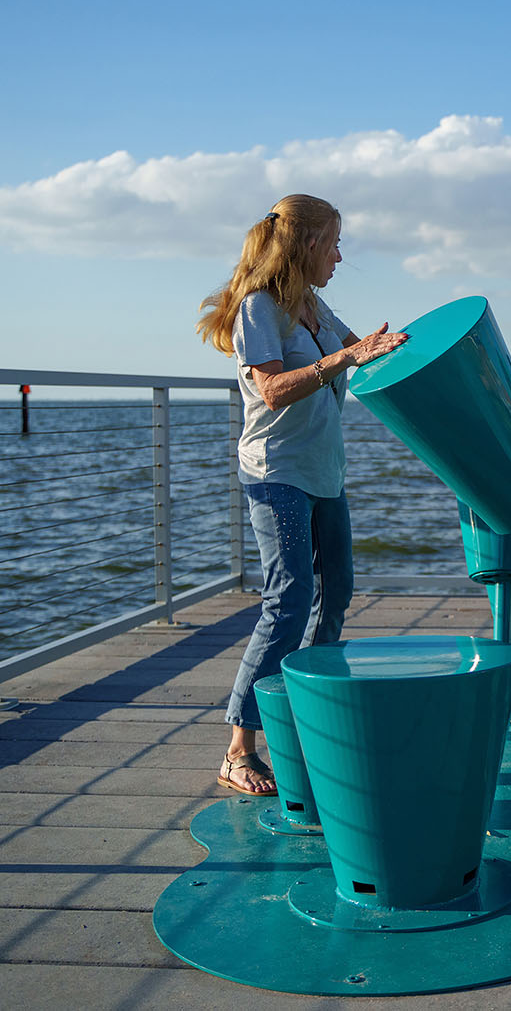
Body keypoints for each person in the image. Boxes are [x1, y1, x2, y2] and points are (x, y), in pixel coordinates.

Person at [196, 194, 409, 795]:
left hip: (323, 471)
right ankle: (239, 747)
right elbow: (272, 388)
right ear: (308, 244)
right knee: (288, 599)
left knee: (335, 593)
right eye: (335, 244)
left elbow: (360, 351)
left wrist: (398, 348)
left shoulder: (312, 305)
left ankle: (311, 719)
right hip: (276, 472)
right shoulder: (259, 308)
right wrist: (346, 355)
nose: (340, 257)